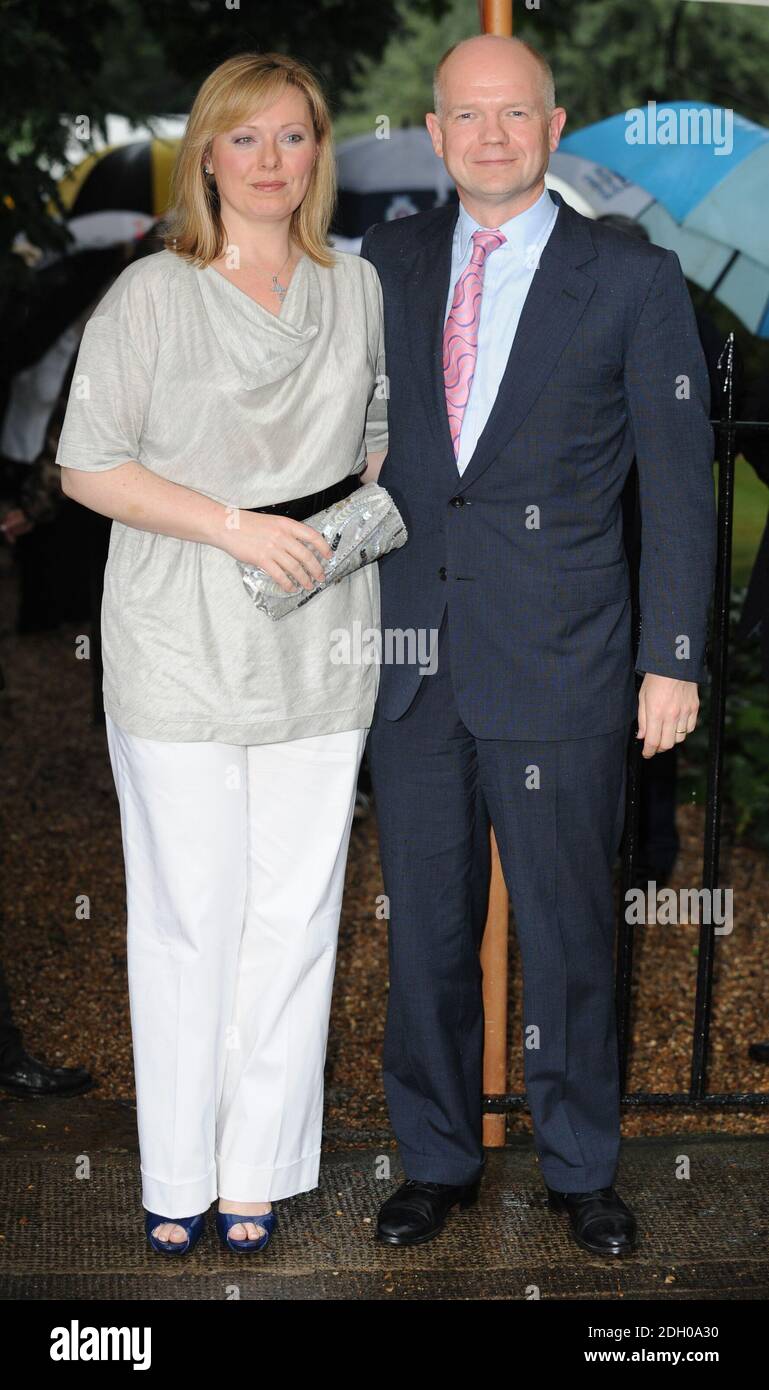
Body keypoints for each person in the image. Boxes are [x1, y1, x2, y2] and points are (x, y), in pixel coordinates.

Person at [360, 34, 716, 1255]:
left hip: (566, 659)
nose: (492, 136)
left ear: (554, 126)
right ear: (435, 127)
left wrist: (672, 656)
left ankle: (579, 1168)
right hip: (412, 661)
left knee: (569, 932)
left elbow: (678, 485)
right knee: (425, 935)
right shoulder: (386, 263)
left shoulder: (629, 277)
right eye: (469, 115)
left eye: (515, 115)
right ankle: (435, 1158)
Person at [54, 51, 388, 1256]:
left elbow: (380, 447)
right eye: (243, 139)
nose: (268, 161)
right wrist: (236, 524)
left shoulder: (356, 290)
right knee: (191, 914)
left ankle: (257, 1169)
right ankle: (179, 1171)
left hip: (321, 635)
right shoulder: (150, 293)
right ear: (207, 153)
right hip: (178, 632)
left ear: (317, 154)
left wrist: (342, 524)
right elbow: (86, 465)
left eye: (292, 138)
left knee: (295, 916)